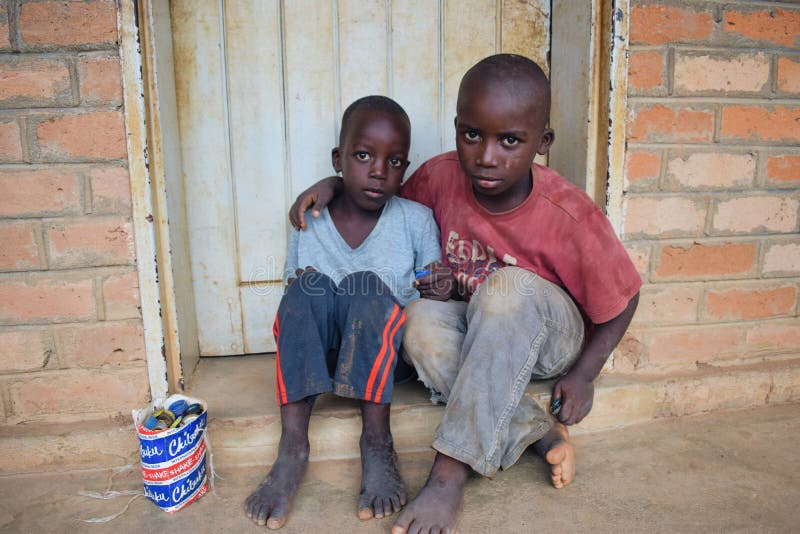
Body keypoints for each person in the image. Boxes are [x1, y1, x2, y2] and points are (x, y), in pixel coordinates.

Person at [290, 54, 641, 534]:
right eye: (472, 134)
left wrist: (585, 374)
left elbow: (626, 297)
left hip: (546, 338)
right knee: (416, 322)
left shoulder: (568, 214)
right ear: (457, 128)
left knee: (505, 287)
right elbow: (380, 196)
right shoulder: (439, 177)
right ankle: (536, 432)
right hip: (478, 329)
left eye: (510, 140)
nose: (486, 156)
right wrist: (335, 184)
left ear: (542, 143)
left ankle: (449, 475)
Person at [245, 95, 442, 529]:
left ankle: (376, 441)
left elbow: (433, 291)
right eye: (363, 155)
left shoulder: (417, 220)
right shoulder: (308, 217)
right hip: (324, 358)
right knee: (304, 289)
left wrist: (441, 284)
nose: (378, 170)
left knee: (368, 286)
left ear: (405, 169)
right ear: (338, 159)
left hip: (386, 360)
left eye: (395, 162)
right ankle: (293, 449)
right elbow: (298, 304)